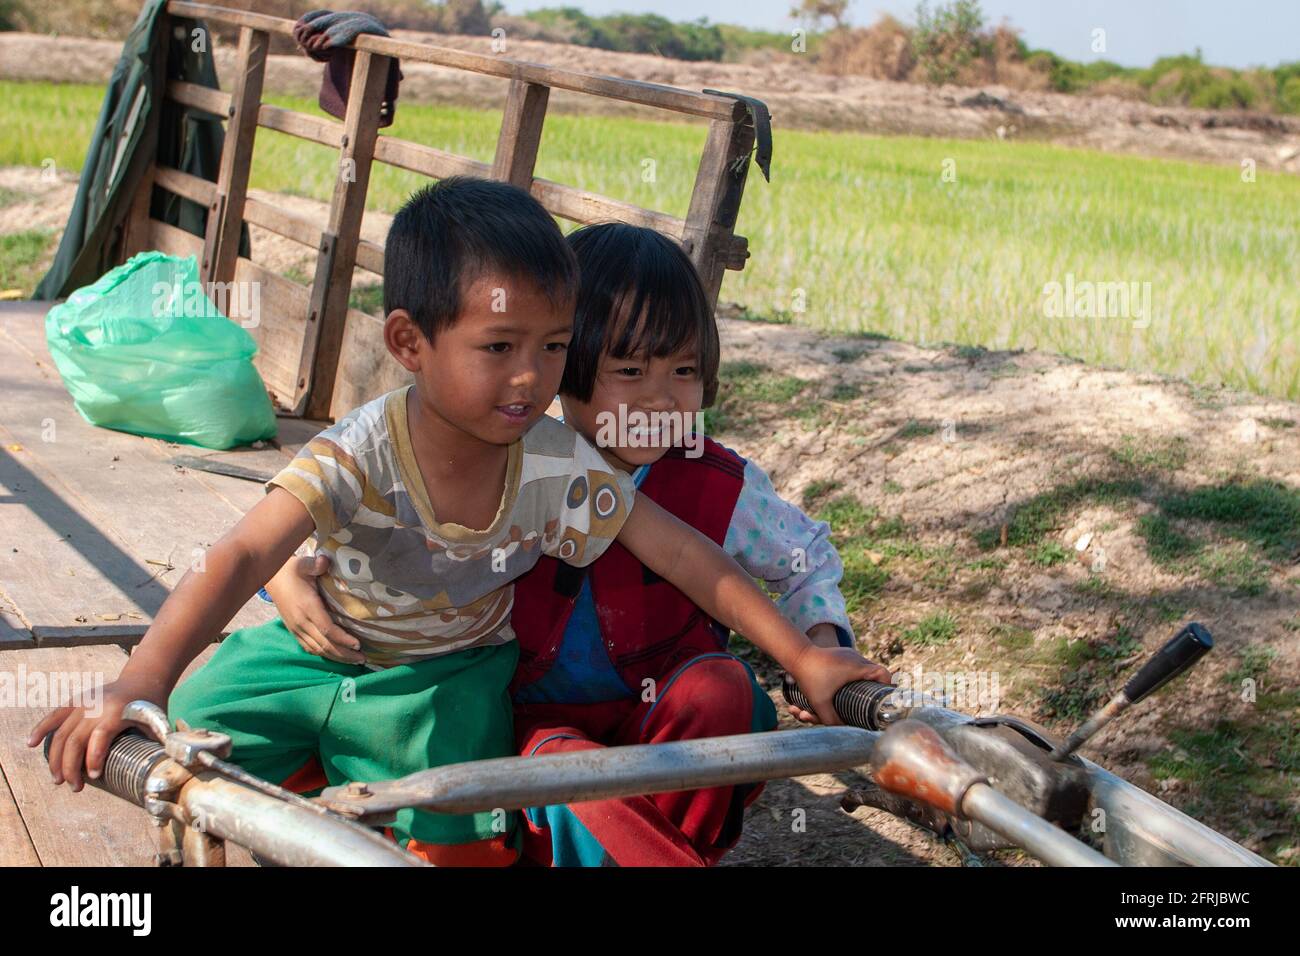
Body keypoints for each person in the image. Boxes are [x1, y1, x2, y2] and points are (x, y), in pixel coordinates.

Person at [29, 179, 884, 866]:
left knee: (457, 840)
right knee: (182, 755)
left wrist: (806, 653)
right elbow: (245, 550)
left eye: (553, 348)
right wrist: (138, 680)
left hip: (453, 679)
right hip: (312, 655)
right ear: (408, 343)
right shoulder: (360, 450)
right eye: (500, 348)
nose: (531, 379)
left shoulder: (557, 462)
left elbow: (688, 556)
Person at [266, 219, 891, 865]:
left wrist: (820, 644)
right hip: (533, 720)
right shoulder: (506, 462)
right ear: (564, 362)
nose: (659, 397)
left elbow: (805, 557)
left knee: (723, 691)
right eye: (629, 368)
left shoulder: (715, 482)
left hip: (661, 715)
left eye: (684, 369)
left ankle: (664, 850)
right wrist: (287, 570)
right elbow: (358, 530)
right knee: (569, 777)